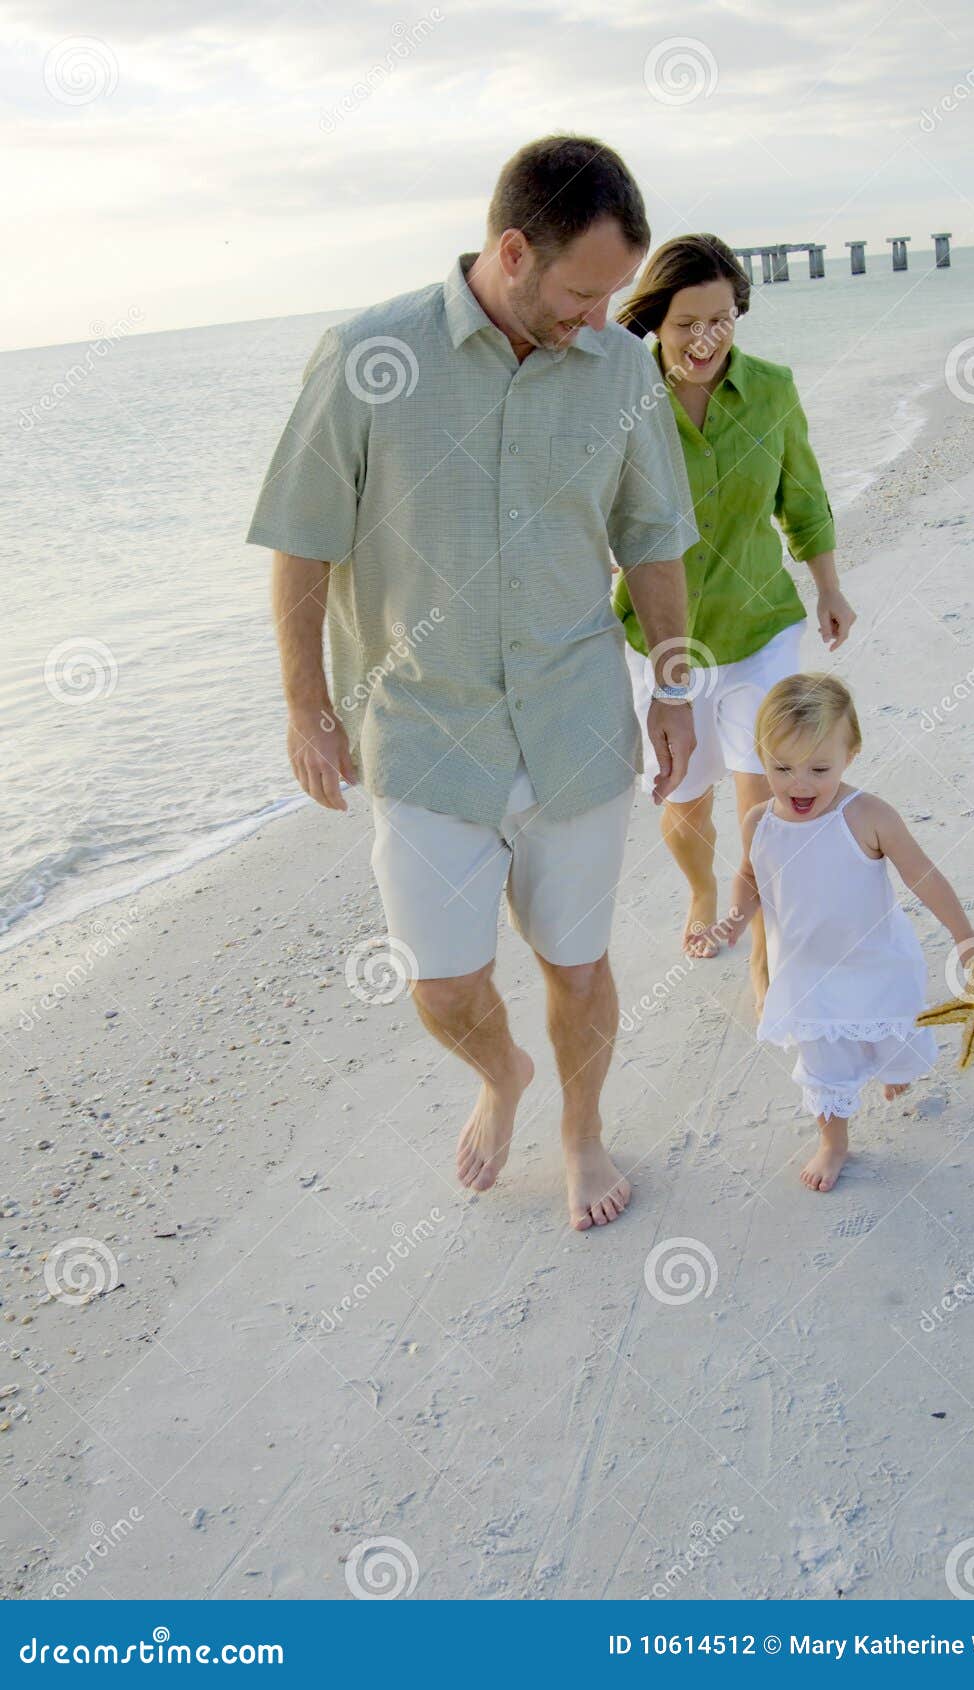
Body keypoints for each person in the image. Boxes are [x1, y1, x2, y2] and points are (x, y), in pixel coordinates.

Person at [245, 135, 701, 1230]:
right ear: (511, 251)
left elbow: (653, 538)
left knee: (576, 965)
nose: (604, 316)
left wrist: (676, 689)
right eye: (586, 291)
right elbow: (301, 544)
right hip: (422, 733)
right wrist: (305, 704)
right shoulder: (367, 356)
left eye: (617, 294)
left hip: (574, 720)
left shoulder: (621, 368)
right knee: (444, 988)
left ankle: (583, 1132)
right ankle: (503, 1076)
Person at [612, 235, 856, 1005]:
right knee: (683, 801)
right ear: (655, 321)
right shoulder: (620, 401)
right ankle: (698, 894)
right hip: (662, 646)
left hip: (760, 631)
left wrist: (827, 588)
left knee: (768, 800)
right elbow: (585, 517)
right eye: (686, 322)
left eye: (720, 319)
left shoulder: (774, 390)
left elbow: (803, 498)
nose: (704, 338)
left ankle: (762, 948)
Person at [719, 674, 974, 1192]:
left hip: (877, 965)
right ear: (761, 757)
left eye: (819, 769)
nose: (800, 784)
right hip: (807, 975)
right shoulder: (760, 821)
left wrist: (965, 933)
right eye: (781, 768)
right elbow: (751, 876)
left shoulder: (865, 815)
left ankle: (893, 1068)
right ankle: (833, 1143)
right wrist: (734, 917)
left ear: (851, 753)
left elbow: (922, 873)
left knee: (894, 1045)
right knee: (823, 1062)